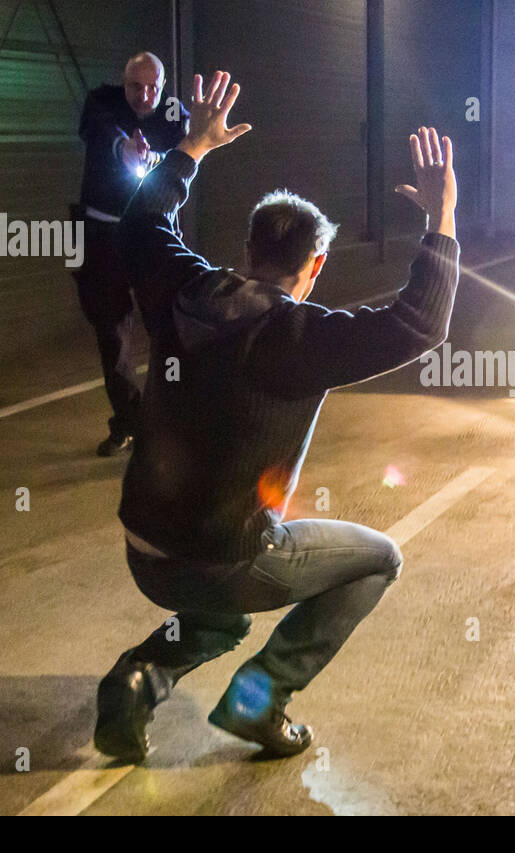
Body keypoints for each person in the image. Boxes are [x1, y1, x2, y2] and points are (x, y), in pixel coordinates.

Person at [93, 72, 459, 762]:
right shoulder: (302, 338)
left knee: (221, 616)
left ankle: (139, 677)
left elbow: (142, 221)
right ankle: (261, 699)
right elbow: (420, 323)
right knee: (378, 559)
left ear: (247, 251)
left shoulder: (182, 286)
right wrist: (442, 217)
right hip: (221, 555)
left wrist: (192, 148)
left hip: (143, 548)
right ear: (314, 266)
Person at [75, 52, 189, 456]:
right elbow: (101, 128)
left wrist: (161, 159)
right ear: (122, 82)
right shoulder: (102, 102)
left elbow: (190, 150)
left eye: (153, 87)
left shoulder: (175, 115)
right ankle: (128, 420)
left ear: (163, 85)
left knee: (168, 327)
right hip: (101, 233)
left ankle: (167, 420)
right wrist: (123, 146)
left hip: (152, 235)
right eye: (134, 86)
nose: (144, 95)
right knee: (111, 331)